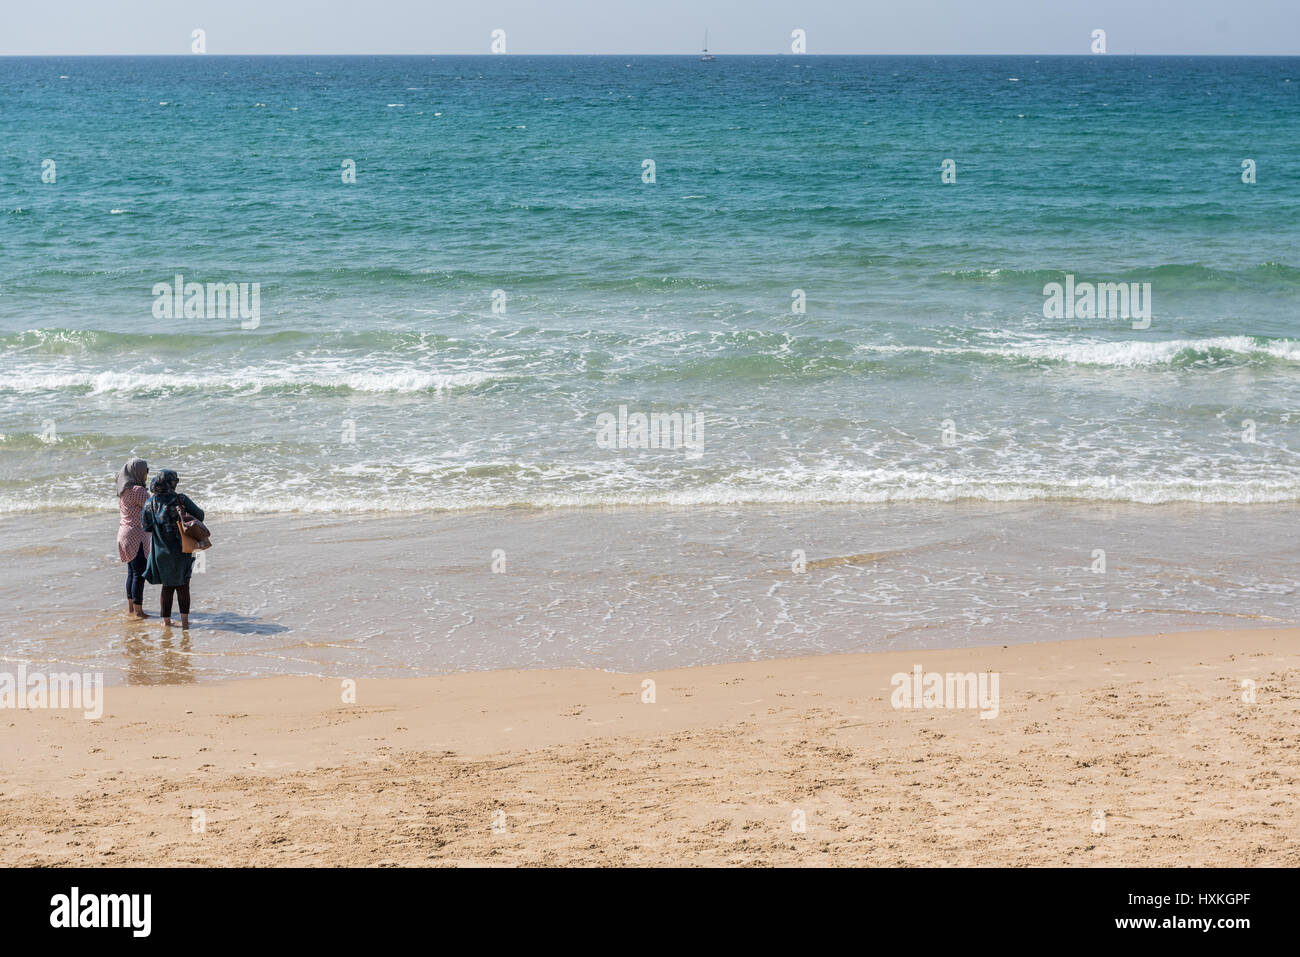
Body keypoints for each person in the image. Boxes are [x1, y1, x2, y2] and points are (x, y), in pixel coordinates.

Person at [141, 470, 205, 629]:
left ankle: (166, 622)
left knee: (167, 587)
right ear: (171, 482)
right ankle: (184, 623)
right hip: (182, 549)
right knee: (183, 586)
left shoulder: (150, 502)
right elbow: (200, 515)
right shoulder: (180, 499)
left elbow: (145, 526)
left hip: (160, 550)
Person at [115, 458, 151, 618]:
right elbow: (153, 507)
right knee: (139, 573)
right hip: (136, 535)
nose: (147, 474)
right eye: (145, 471)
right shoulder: (138, 491)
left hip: (124, 533)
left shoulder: (123, 490)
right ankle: (139, 611)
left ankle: (131, 607)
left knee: (132, 572)